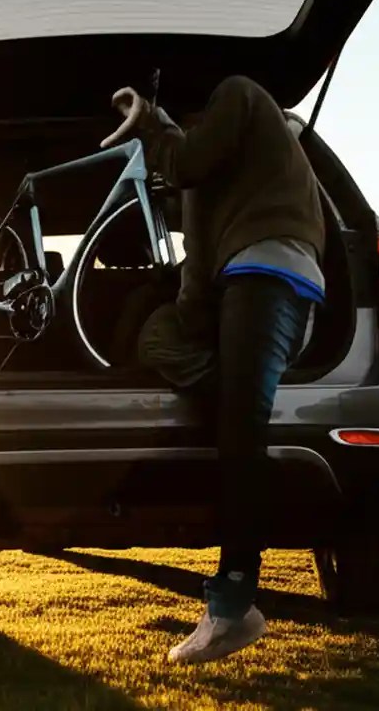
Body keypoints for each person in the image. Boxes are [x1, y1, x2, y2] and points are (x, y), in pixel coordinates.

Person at [102, 75, 326, 663]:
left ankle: (232, 607)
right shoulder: (206, 180)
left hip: (272, 273)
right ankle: (239, 417)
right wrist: (178, 317)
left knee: (242, 427)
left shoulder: (238, 94)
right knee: (180, 360)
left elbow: (184, 159)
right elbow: (197, 274)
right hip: (240, 281)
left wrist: (149, 119)